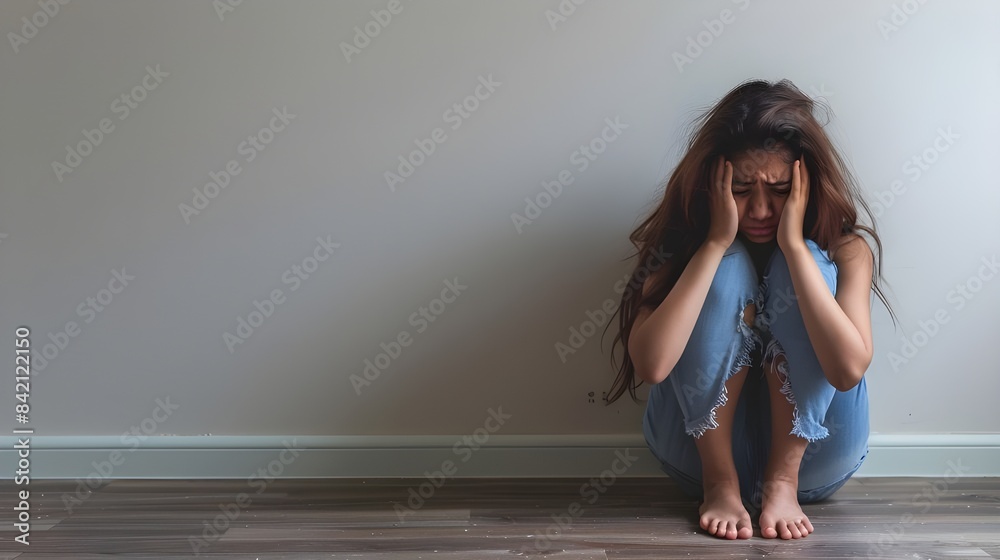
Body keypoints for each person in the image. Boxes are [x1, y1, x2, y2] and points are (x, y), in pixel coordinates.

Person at [605, 79, 895, 540]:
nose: (760, 209)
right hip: (695, 460)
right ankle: (722, 481)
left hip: (818, 459)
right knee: (724, 265)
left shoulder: (848, 250)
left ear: (805, 183)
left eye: (780, 190)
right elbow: (653, 365)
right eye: (740, 188)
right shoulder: (678, 243)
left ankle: (783, 479)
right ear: (711, 184)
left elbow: (846, 371)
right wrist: (715, 241)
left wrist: (796, 250)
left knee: (805, 267)